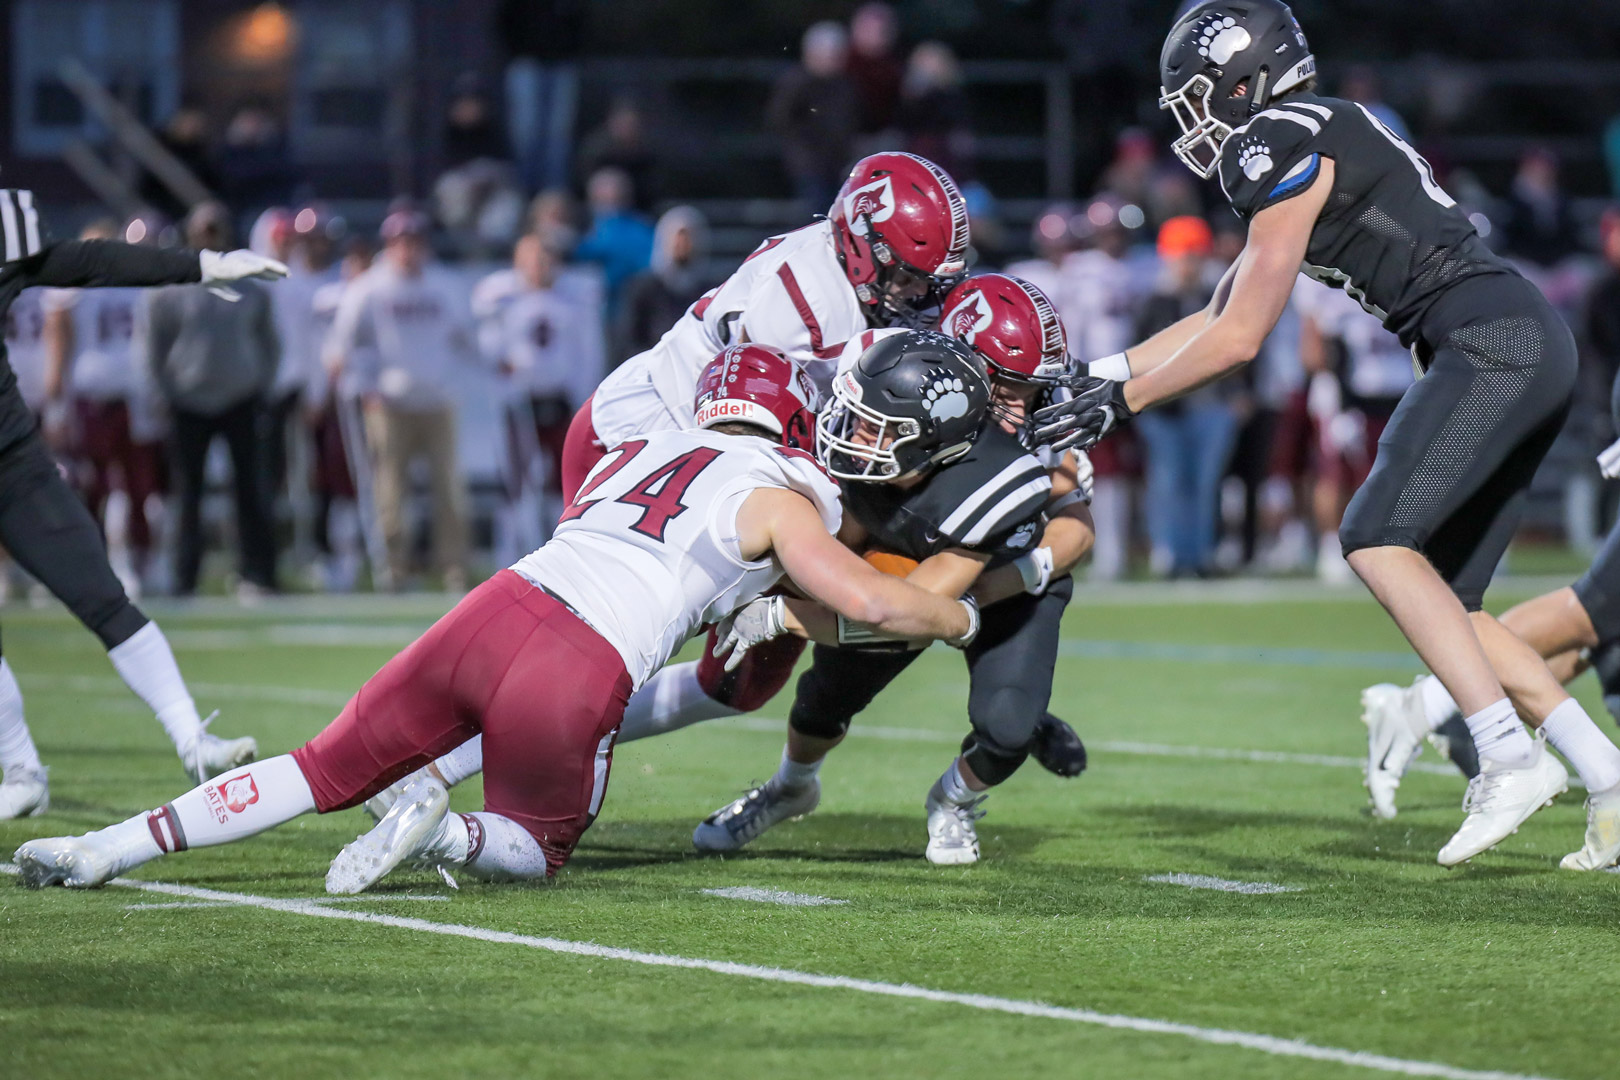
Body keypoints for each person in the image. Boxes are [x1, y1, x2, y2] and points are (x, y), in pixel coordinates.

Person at [12, 345, 978, 891]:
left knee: (319, 767)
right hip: (582, 661)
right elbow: (863, 599)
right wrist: (961, 619)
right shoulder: (780, 497)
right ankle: (444, 834)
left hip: (496, 605)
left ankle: (105, 847)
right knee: (530, 847)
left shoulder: (636, 451)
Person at [1036, 0, 1619, 869]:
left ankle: (1505, 755)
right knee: (1450, 603)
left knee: (1375, 537)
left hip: (1484, 341)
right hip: (1516, 337)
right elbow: (1215, 310)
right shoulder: (1321, 128)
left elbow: (1239, 342)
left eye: (1201, 95)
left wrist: (1127, 405)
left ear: (1245, 79)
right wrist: (1105, 373)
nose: (1197, 120)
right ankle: (1607, 779)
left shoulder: (1270, 142)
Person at [360, 153, 976, 816]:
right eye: (910, 280)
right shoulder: (804, 313)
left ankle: (451, 759)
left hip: (722, 466)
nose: (924, 299)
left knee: (737, 684)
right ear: (861, 247)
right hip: (645, 451)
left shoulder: (843, 282)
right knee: (591, 651)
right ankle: (422, 762)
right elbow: (764, 442)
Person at [697, 288, 1096, 865]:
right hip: (903, 542)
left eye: (1032, 386)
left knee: (1007, 724)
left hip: (1007, 567)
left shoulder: (1034, 436)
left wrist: (1013, 579)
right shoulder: (889, 380)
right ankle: (790, 785)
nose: (1022, 403)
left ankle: (955, 799)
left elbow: (1075, 527)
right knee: (826, 697)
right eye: (1006, 383)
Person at [0, 187, 285, 819]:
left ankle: (192, 739)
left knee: (102, 595)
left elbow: (92, 262)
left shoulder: (7, 228)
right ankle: (21, 769)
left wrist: (200, 265)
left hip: (10, 457)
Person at [326, 209, 473, 592]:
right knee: (391, 491)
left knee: (448, 489)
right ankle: (394, 568)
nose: (408, 250)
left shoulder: (444, 286)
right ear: (389, 246)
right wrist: (349, 371)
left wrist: (496, 361)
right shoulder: (370, 288)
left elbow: (467, 336)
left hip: (438, 399)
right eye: (400, 242)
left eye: (414, 241)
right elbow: (343, 341)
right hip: (389, 402)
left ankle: (453, 566)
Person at [144, 202, 282, 599]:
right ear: (191, 235)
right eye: (203, 231)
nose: (210, 237)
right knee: (187, 494)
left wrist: (262, 387)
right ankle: (184, 576)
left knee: (252, 491)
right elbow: (153, 348)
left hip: (240, 399)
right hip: (188, 402)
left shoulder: (251, 287)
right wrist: (162, 392)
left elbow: (270, 343)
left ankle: (259, 574)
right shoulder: (170, 290)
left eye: (216, 230)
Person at [41, 219, 162, 597]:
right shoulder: (75, 293)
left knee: (133, 485)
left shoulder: (121, 289)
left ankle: (137, 562)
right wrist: (57, 407)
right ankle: (96, 564)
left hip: (125, 393)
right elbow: (59, 350)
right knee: (94, 485)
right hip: (94, 395)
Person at [478, 230, 606, 560]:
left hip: (559, 400)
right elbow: (492, 350)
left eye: (543, 258)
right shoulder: (504, 301)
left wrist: (584, 398)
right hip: (521, 401)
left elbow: (586, 354)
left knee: (560, 483)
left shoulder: (572, 302)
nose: (538, 265)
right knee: (515, 481)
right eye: (530, 258)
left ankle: (559, 551)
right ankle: (507, 553)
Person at [1132, 215, 1237, 577]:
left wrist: (1240, 392)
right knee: (1170, 482)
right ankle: (1171, 553)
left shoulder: (1218, 298)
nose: (1189, 262)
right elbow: (1140, 355)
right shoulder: (1156, 301)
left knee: (1205, 484)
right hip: (1166, 409)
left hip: (1212, 405)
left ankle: (1201, 554)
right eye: (1183, 254)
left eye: (1195, 255)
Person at [767, 22, 860, 211]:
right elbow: (780, 119)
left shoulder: (844, 85)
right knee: (815, 212)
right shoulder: (795, 83)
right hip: (809, 165)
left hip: (839, 164)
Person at [615, 206, 711, 366]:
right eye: (677, 238)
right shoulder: (642, 289)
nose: (682, 245)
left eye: (688, 238)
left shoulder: (707, 291)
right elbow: (629, 340)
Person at [573, 167, 654, 312]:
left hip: (631, 297)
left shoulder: (640, 227)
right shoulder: (584, 226)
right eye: (602, 193)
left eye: (614, 192)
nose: (609, 196)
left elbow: (650, 261)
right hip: (593, 301)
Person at [848, 3, 904, 137]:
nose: (876, 36)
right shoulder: (841, 65)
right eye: (869, 30)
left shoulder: (895, 69)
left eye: (882, 31)